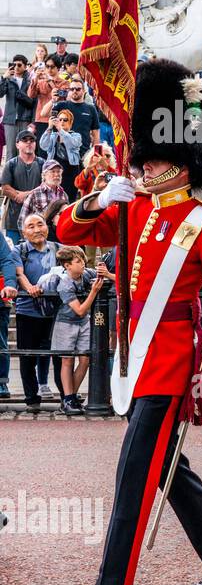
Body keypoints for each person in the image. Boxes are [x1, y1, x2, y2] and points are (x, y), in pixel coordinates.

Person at [57, 59, 202, 585]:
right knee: (166, 464)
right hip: (136, 354)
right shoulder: (133, 209)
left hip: (174, 356)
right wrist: (99, 200)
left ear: (180, 160)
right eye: (144, 156)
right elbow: (67, 230)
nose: (147, 165)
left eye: (154, 157)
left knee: (136, 467)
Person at [13, 212, 64, 410]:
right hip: (28, 311)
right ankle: (32, 398)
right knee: (27, 357)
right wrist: (30, 288)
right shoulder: (20, 251)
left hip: (55, 312)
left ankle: (66, 396)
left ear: (47, 227)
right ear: (24, 232)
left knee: (60, 356)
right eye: (31, 226)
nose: (37, 229)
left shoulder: (57, 248)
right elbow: (19, 274)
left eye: (40, 224)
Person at [52, 245, 103, 414]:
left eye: (82, 260)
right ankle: (68, 398)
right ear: (67, 266)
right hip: (66, 323)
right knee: (67, 360)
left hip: (83, 323)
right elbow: (80, 310)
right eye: (78, 261)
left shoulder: (86, 274)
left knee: (85, 359)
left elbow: (100, 275)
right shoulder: (64, 284)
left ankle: (70, 397)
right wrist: (93, 292)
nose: (83, 263)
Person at [2, 130, 43, 246]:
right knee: (15, 254)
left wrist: (25, 195)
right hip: (14, 218)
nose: (29, 143)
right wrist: (17, 195)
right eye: (24, 140)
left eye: (32, 140)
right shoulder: (10, 164)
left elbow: (46, 186)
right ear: (17, 144)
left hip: (37, 220)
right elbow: (5, 187)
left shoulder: (43, 164)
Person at [39, 111, 82, 198]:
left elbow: (72, 143)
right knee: (52, 198)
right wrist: (49, 127)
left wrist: (60, 130)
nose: (61, 122)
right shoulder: (53, 136)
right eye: (60, 119)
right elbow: (43, 145)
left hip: (70, 171)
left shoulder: (76, 136)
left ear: (70, 122)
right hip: (53, 172)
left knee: (69, 198)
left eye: (65, 120)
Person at [3, 54, 35, 160]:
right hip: (10, 120)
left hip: (25, 119)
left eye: (19, 65)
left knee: (25, 150)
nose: (16, 67)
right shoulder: (8, 79)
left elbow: (32, 101)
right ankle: (9, 176)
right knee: (11, 151)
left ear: (25, 66)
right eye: (14, 64)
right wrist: (3, 78)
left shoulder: (30, 80)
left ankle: (23, 175)